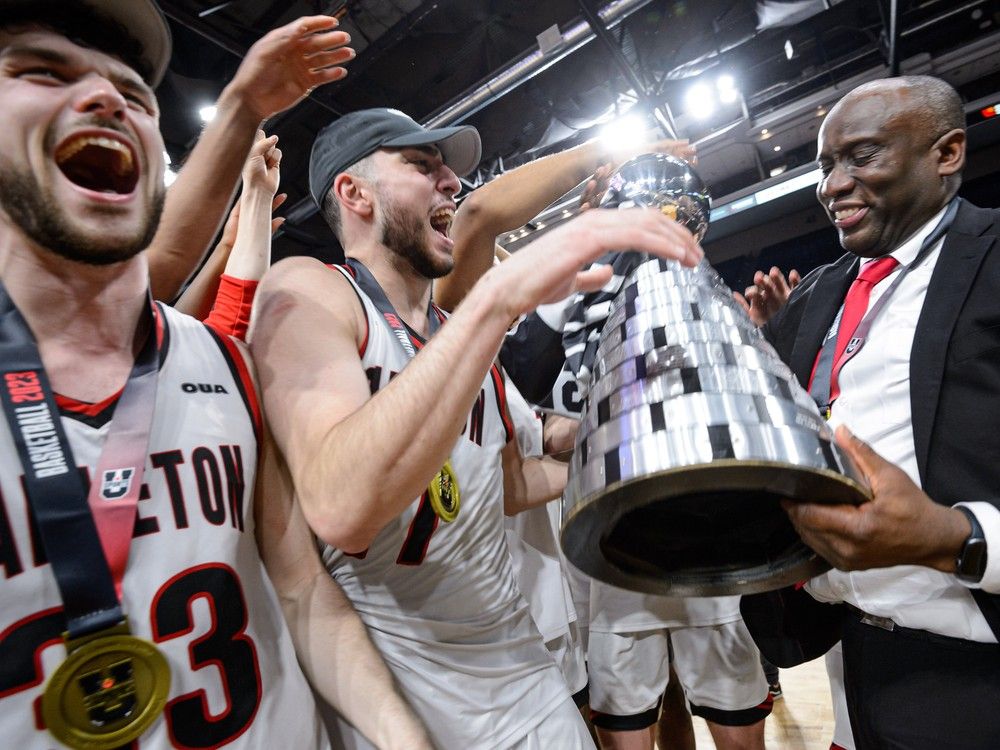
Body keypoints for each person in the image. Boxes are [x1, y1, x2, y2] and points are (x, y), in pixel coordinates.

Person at [0, 3, 430, 747]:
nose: (109, 99)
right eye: (43, 72)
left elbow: (302, 594)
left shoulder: (218, 361)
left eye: (136, 95)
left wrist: (404, 738)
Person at [248, 106, 703, 749]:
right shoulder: (311, 290)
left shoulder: (453, 338)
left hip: (525, 671)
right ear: (354, 193)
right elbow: (340, 503)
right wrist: (495, 301)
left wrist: (635, 444)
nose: (450, 183)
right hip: (416, 699)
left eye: (449, 171)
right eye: (421, 166)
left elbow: (509, 480)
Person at [748, 75, 1000, 748]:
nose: (832, 184)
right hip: (854, 666)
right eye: (826, 164)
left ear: (946, 153)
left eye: (861, 156)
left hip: (979, 675)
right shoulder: (818, 296)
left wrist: (959, 539)